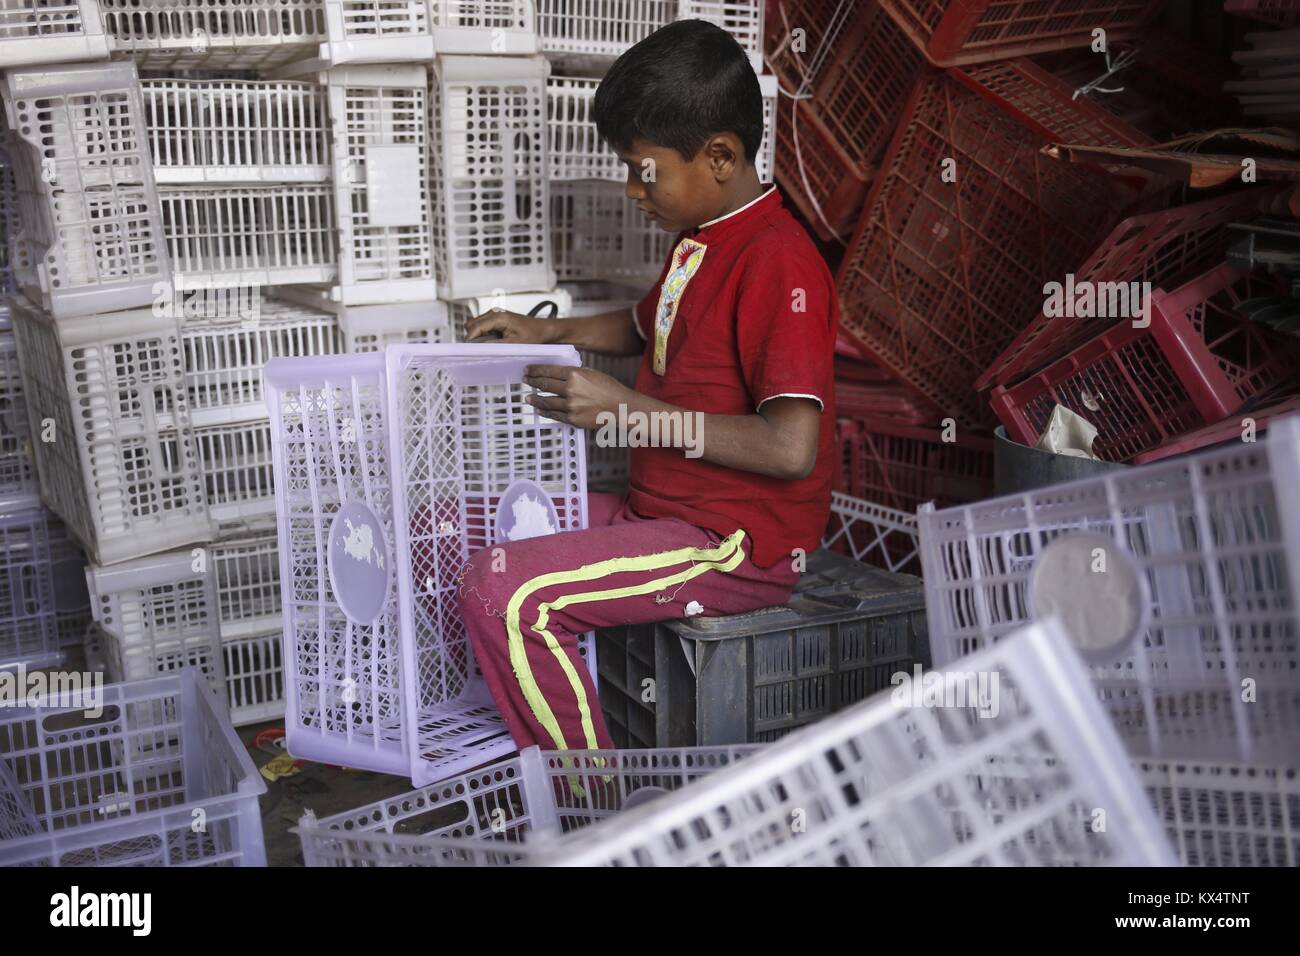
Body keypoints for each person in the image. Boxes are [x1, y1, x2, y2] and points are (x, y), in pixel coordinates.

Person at [458, 18, 837, 757]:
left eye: (645, 170)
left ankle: (592, 814)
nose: (633, 189)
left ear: (721, 156)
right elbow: (645, 325)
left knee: (502, 591)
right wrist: (543, 332)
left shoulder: (779, 263)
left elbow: (792, 448)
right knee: (456, 527)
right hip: (656, 515)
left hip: (732, 543)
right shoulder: (702, 242)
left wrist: (629, 410)